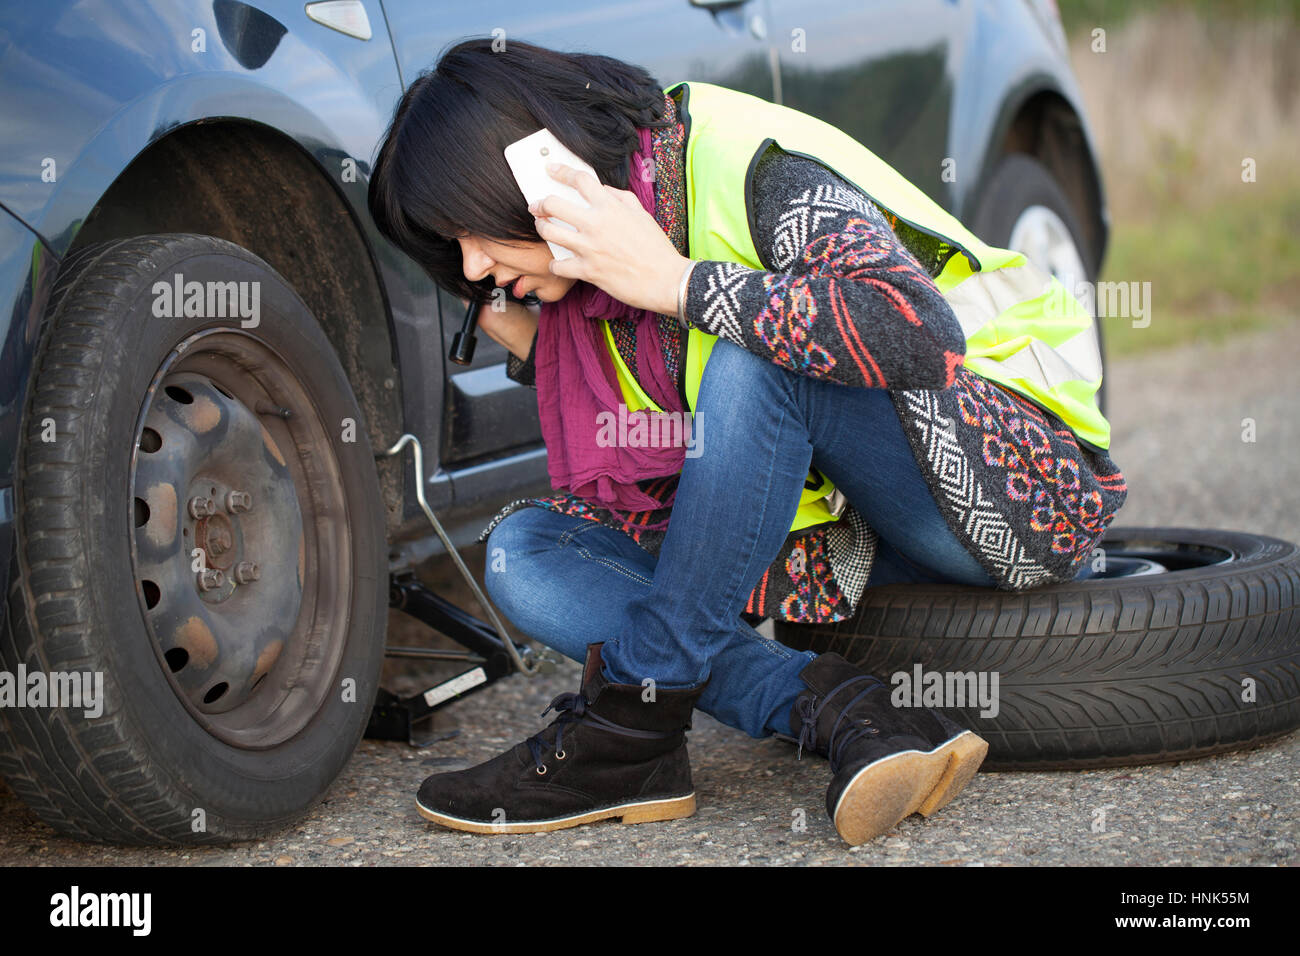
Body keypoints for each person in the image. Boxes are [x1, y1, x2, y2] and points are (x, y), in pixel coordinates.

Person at [367, 38, 1127, 845]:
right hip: (848, 539)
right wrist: (547, 341)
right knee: (527, 552)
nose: (474, 264)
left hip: (1012, 490)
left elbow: (915, 331)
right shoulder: (590, 282)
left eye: (475, 231)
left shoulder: (749, 166)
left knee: (754, 358)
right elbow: (693, 449)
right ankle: (842, 711)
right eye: (452, 251)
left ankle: (633, 717)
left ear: (544, 170)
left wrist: (676, 282)